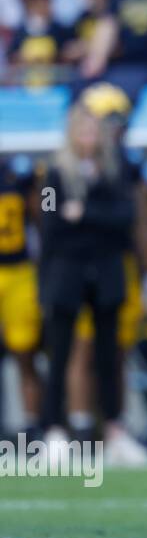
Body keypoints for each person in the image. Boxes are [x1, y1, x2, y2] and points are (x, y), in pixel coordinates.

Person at [38, 101, 145, 462]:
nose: (88, 137)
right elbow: (50, 222)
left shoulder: (115, 171)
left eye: (93, 131)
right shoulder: (55, 173)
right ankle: (54, 429)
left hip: (106, 272)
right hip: (66, 273)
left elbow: (125, 218)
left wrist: (83, 215)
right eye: (82, 130)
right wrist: (96, 222)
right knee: (61, 354)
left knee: (109, 355)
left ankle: (115, 428)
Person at [0, 153, 42, 436]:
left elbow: (44, 215)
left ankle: (32, 427)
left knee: (25, 353)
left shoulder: (19, 173)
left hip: (18, 271)